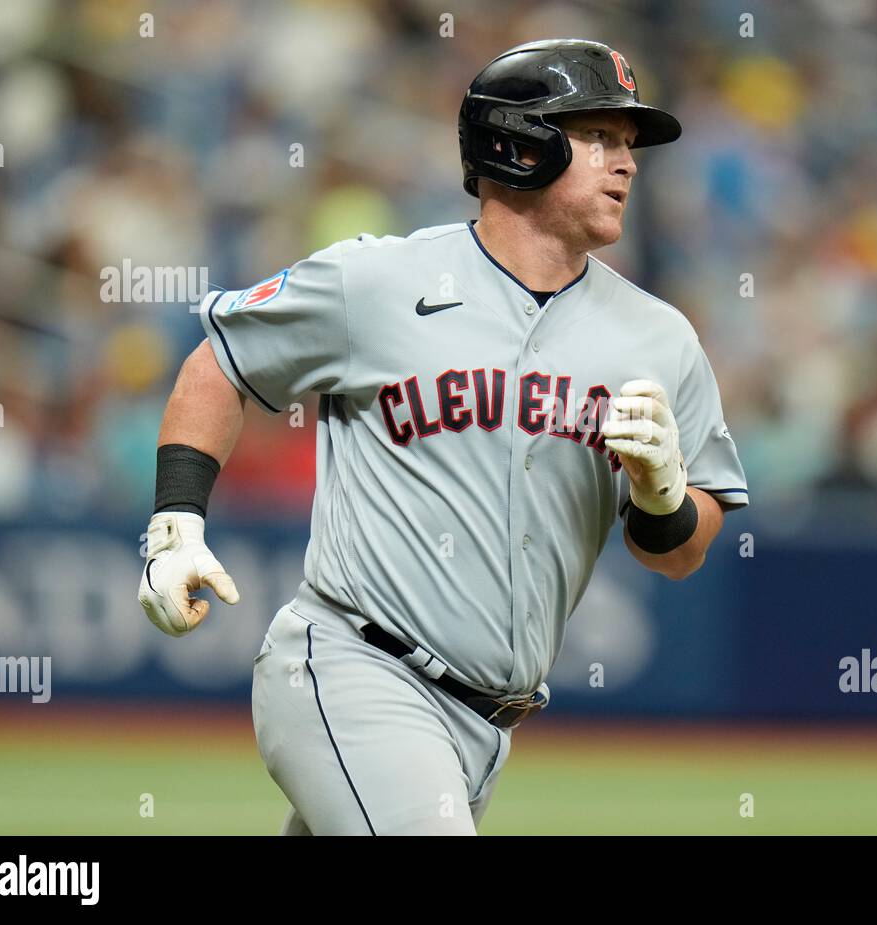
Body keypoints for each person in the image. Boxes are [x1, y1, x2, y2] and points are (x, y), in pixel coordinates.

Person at [137, 38, 749, 835]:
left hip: (487, 726)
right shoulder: (379, 282)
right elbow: (222, 361)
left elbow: (680, 551)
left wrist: (663, 495)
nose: (626, 163)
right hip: (355, 667)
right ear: (517, 143)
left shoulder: (660, 338)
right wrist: (176, 526)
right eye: (598, 136)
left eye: (628, 145)